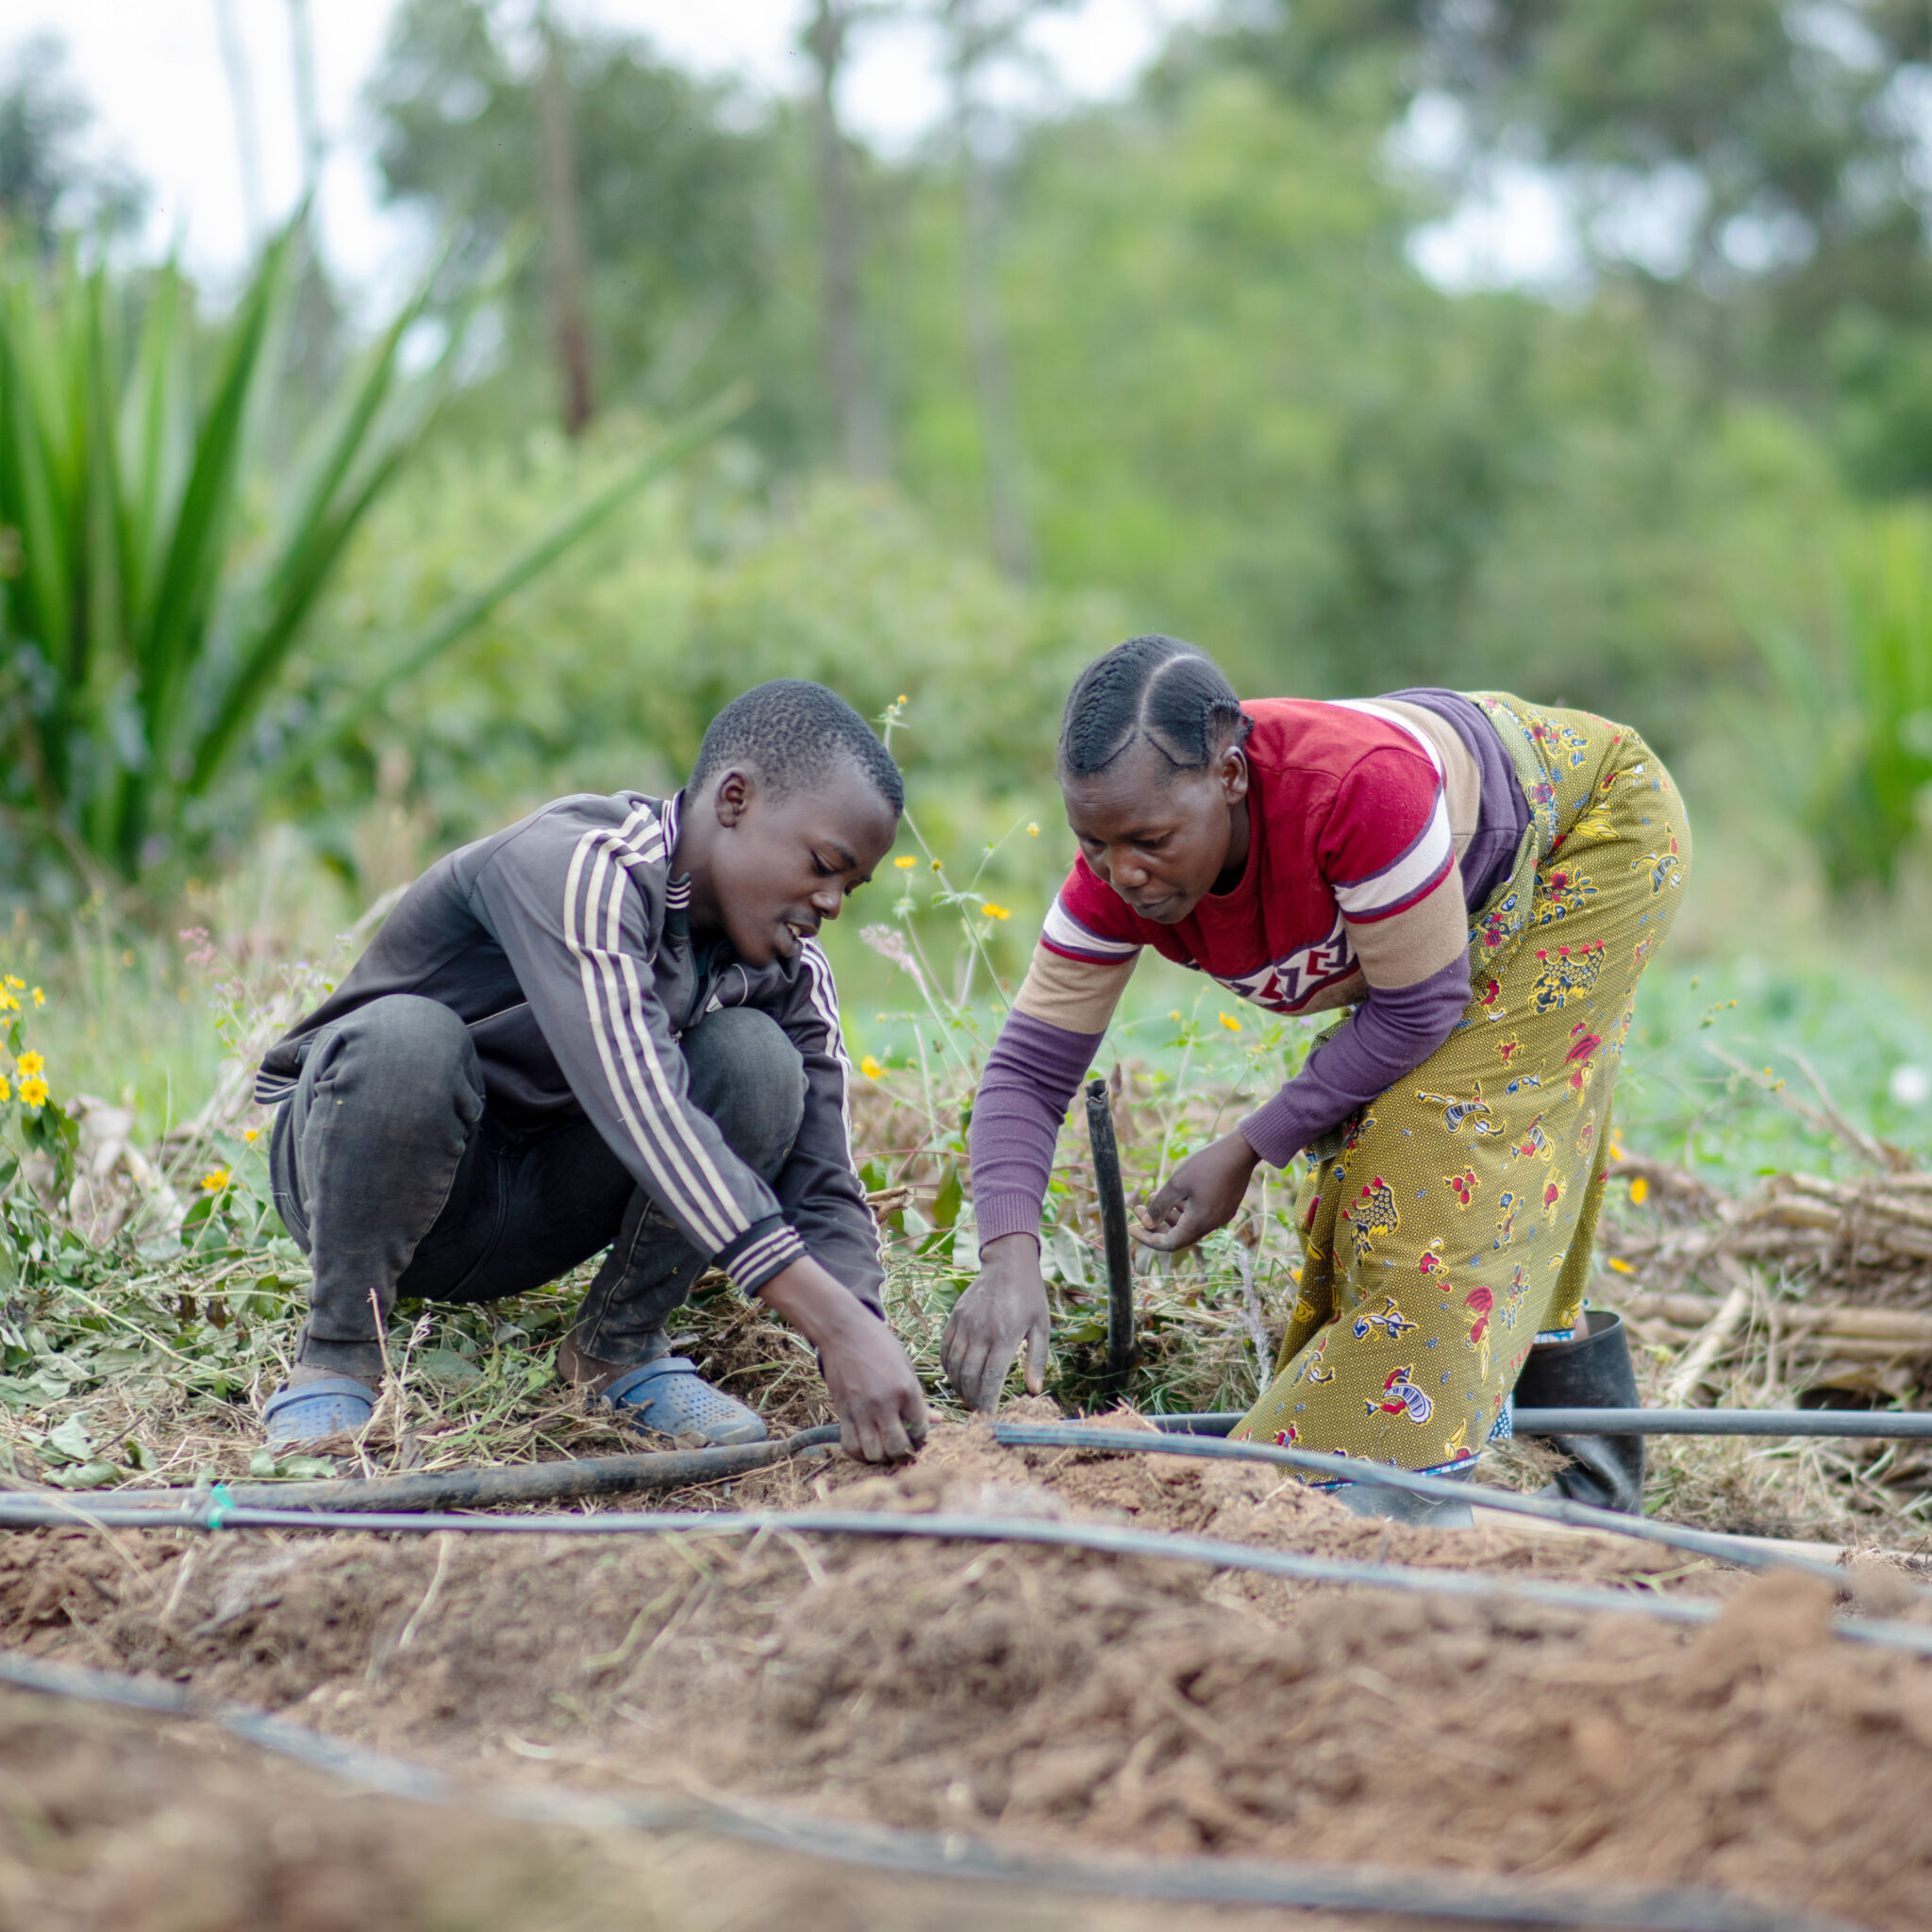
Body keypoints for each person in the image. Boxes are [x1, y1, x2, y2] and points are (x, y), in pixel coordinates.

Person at [943, 636, 1689, 1513]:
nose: (1124, 872)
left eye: (1148, 840)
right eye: (1093, 842)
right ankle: (1588, 1488)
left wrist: (1251, 1145)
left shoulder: (1352, 790)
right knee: (1422, 1162)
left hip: (1589, 839)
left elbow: (1419, 1006)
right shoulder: (1117, 867)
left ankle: (1361, 1499)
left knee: (1428, 1170)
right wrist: (1007, 1255)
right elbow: (1030, 1070)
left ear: (1229, 773)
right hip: (1441, 933)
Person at [256, 680, 928, 1464]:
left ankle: (618, 1347)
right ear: (734, 799)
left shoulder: (789, 967)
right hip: (369, 1175)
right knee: (408, 1039)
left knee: (758, 1060)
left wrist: (868, 1332)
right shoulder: (585, 865)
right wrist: (830, 1323)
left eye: (851, 886)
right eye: (823, 864)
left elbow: (824, 1177)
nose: (833, 902)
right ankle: (337, 1351)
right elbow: (638, 1099)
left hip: (545, 1204)